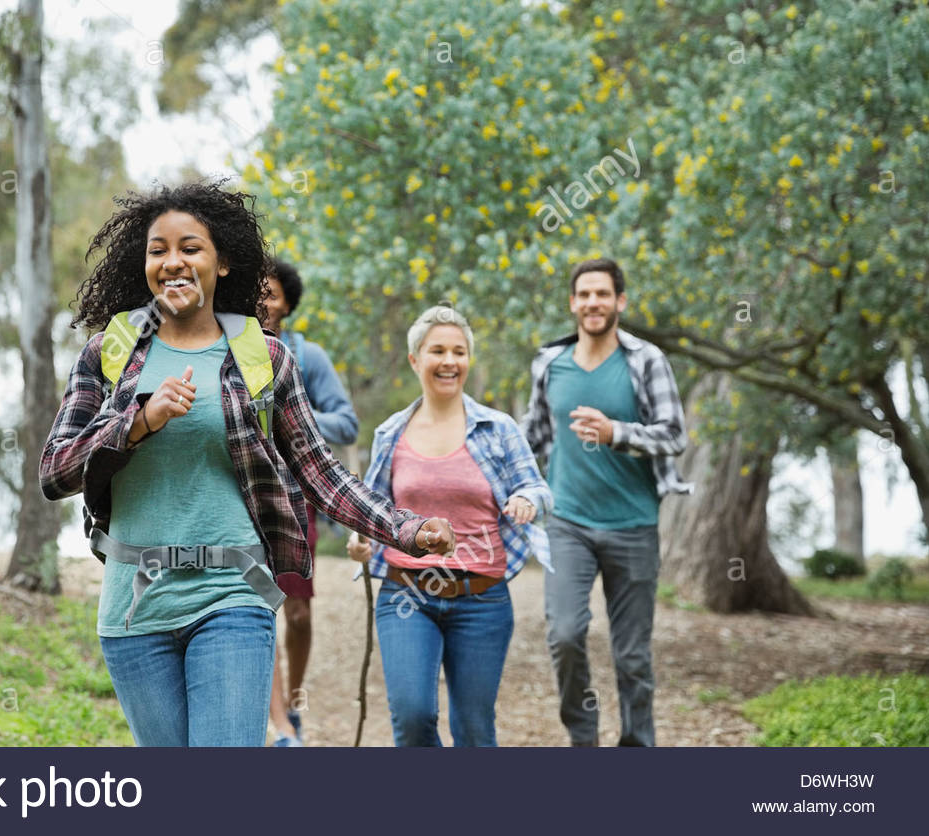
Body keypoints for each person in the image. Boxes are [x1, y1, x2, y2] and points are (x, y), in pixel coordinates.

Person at [38, 181, 455, 747]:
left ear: (224, 261)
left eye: (191, 247)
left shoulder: (263, 356)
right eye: (158, 250)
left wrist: (406, 528)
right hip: (135, 608)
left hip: (231, 595)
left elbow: (322, 474)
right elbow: (56, 470)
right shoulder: (109, 353)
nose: (172, 262)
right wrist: (136, 422)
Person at [347, 303, 551, 747]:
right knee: (414, 716)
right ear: (415, 359)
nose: (449, 361)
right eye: (437, 350)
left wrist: (524, 499)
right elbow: (370, 510)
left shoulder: (499, 428)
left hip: (482, 599)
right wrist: (361, 540)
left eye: (459, 352)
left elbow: (538, 488)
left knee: (474, 730)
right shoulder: (391, 434)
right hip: (407, 593)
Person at [523, 258, 691, 747]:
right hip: (568, 522)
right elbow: (530, 433)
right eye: (584, 294)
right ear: (572, 303)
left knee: (632, 655)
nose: (593, 303)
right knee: (566, 634)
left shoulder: (646, 360)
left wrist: (617, 432)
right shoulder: (548, 363)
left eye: (603, 294)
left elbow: (675, 435)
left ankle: (637, 746)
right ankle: (584, 740)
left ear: (620, 301)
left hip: (633, 523)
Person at [260, 260, 359, 746]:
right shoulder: (223, 344)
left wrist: (294, 409)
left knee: (297, 614)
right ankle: (280, 727)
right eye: (255, 291)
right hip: (242, 501)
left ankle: (293, 704)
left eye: (273, 293)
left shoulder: (307, 356)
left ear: (289, 303)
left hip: (297, 501)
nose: (264, 301)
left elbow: (347, 423)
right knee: (258, 611)